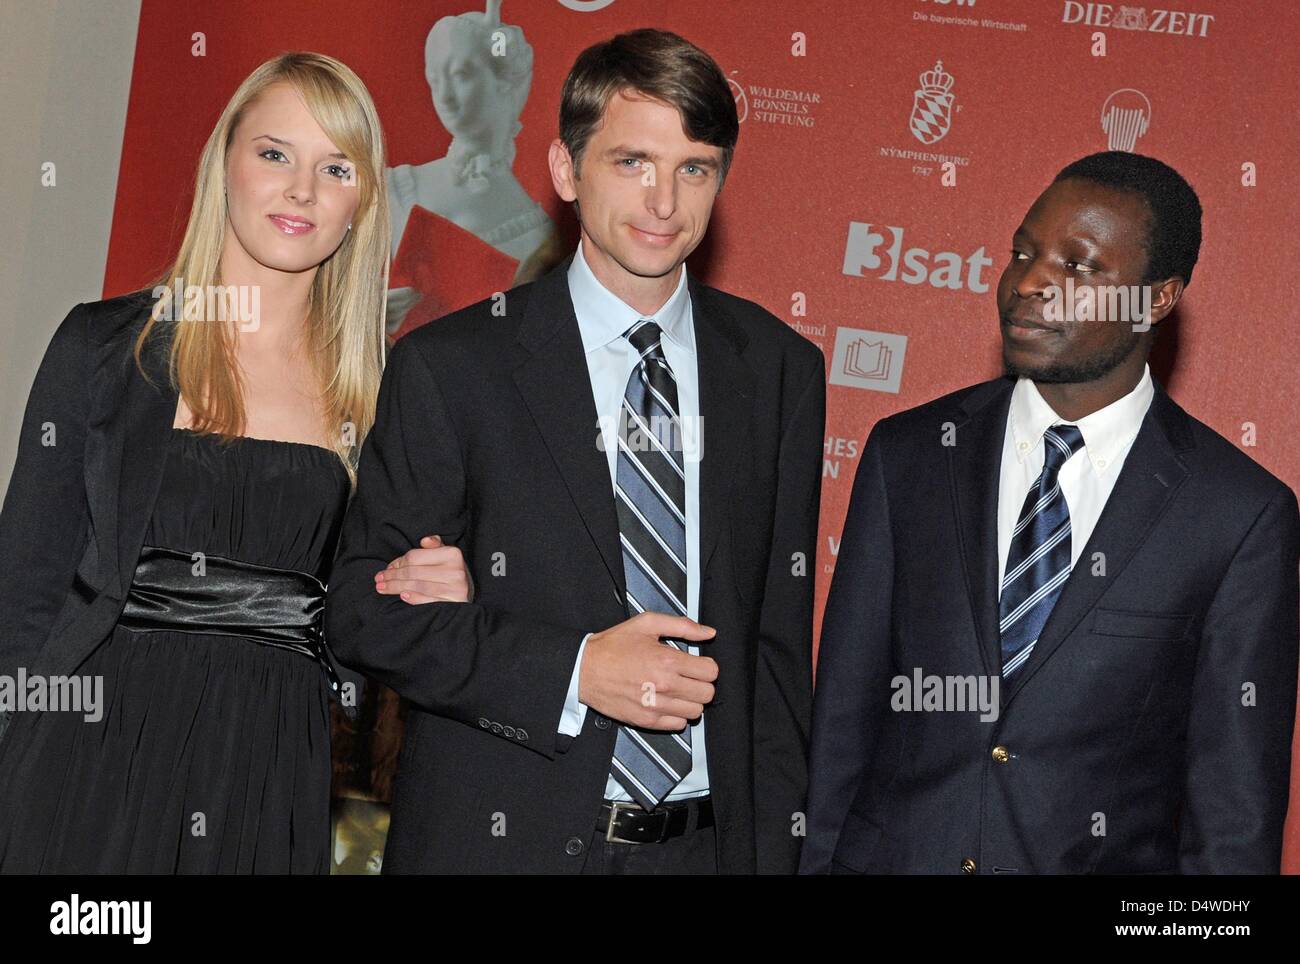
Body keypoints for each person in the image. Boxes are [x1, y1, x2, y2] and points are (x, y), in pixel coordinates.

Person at [326, 28, 825, 874]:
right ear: (566, 171)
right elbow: (362, 612)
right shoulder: (454, 367)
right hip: (500, 843)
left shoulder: (780, 371)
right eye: (632, 162)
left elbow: (774, 654)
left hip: (704, 852)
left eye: (694, 168)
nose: (664, 200)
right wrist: (576, 669)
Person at [0, 52, 469, 874]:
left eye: (336, 168)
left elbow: (369, 628)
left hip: (265, 768)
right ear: (224, 164)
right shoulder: (105, 347)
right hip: (81, 753)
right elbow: (25, 591)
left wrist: (435, 594)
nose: (301, 190)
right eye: (275, 153)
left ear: (362, 204)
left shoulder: (385, 398)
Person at [800, 151, 1299, 874]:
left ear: (1156, 299)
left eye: (1080, 267)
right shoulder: (908, 455)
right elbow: (842, 722)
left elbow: (1234, 819)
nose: (1030, 283)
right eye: (1023, 253)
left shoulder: (1237, 515)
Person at [384, 0, 563, 336]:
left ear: (504, 81)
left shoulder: (540, 236)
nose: (445, 95)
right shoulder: (397, 188)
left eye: (461, 74)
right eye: (435, 79)